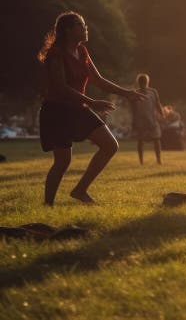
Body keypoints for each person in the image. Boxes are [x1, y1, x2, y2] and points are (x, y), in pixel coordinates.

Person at [37, 12, 145, 205]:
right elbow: (61, 87)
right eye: (80, 25)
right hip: (57, 111)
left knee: (110, 145)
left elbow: (98, 80)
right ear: (68, 30)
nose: (85, 28)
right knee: (62, 162)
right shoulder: (56, 54)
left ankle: (80, 190)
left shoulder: (82, 51)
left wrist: (127, 93)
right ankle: (48, 205)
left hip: (78, 108)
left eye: (84, 25)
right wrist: (92, 102)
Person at [130, 73, 164, 165]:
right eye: (142, 82)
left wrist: (162, 114)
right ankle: (141, 161)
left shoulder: (153, 92)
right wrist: (134, 121)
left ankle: (158, 160)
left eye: (144, 82)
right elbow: (133, 109)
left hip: (152, 120)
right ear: (139, 83)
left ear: (147, 82)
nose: (143, 83)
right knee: (141, 141)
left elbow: (158, 104)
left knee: (156, 139)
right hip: (140, 122)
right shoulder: (135, 93)